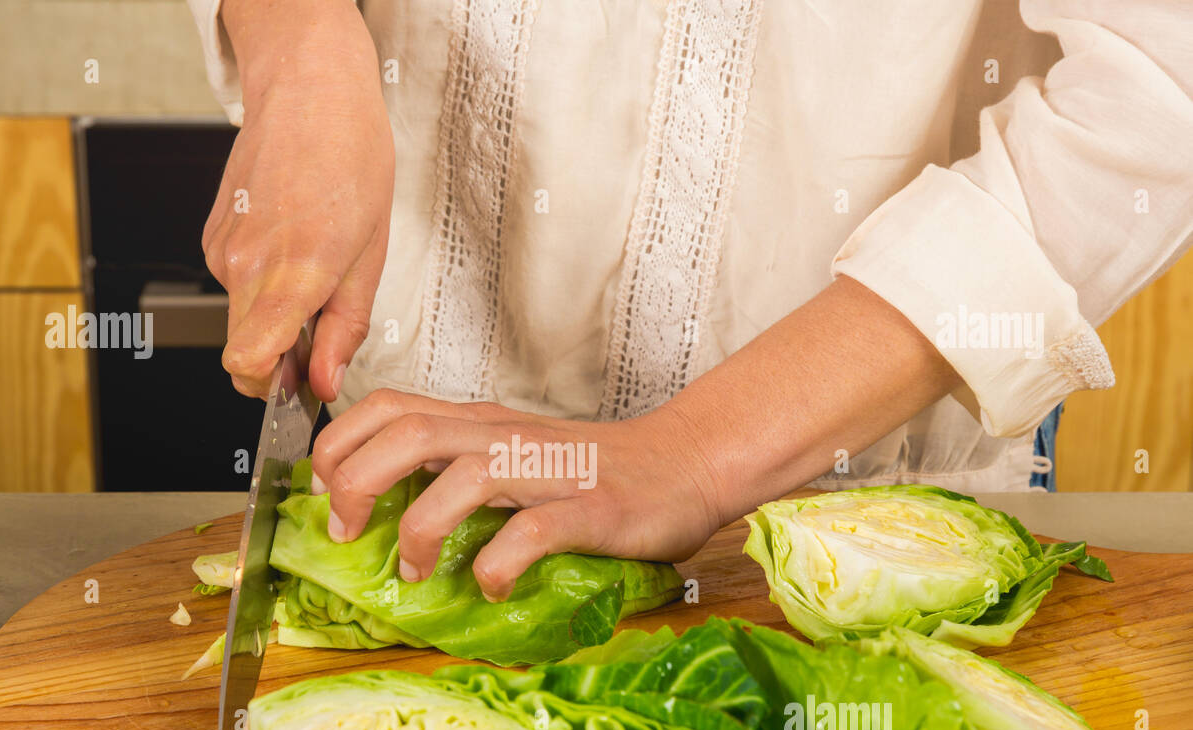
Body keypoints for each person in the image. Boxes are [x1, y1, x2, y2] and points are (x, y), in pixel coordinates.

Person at [186, 0, 1193, 600]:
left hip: (846, 522)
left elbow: (1157, 98)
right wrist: (300, 47)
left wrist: (700, 453)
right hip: (403, 486)